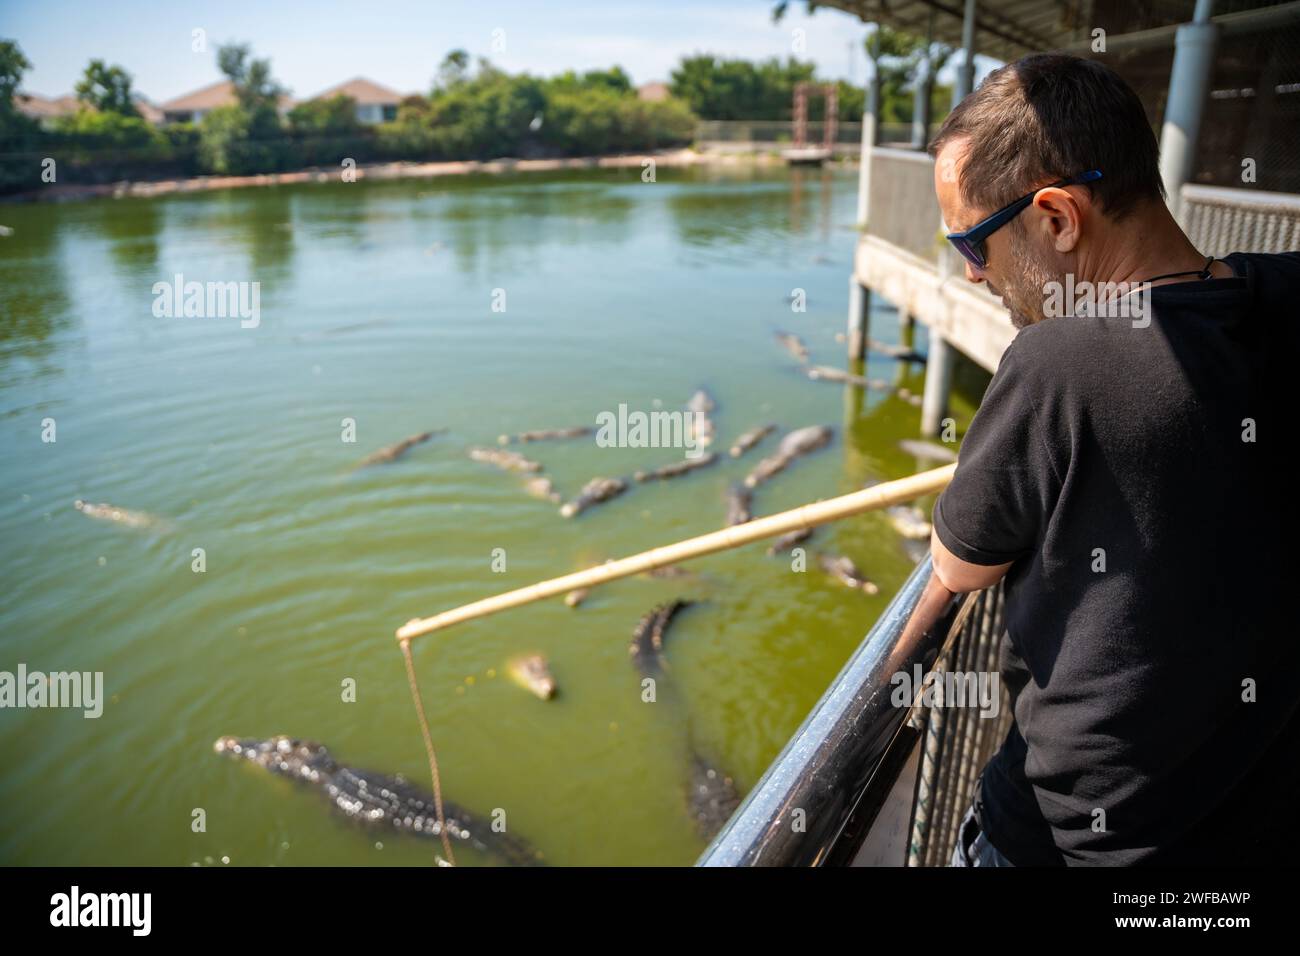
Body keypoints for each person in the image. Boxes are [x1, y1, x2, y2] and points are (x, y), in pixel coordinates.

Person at [927, 52, 1300, 866]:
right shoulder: (1282, 295)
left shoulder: (1058, 364)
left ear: (1058, 217)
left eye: (974, 241)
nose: (969, 270)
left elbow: (959, 563)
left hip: (1071, 847)